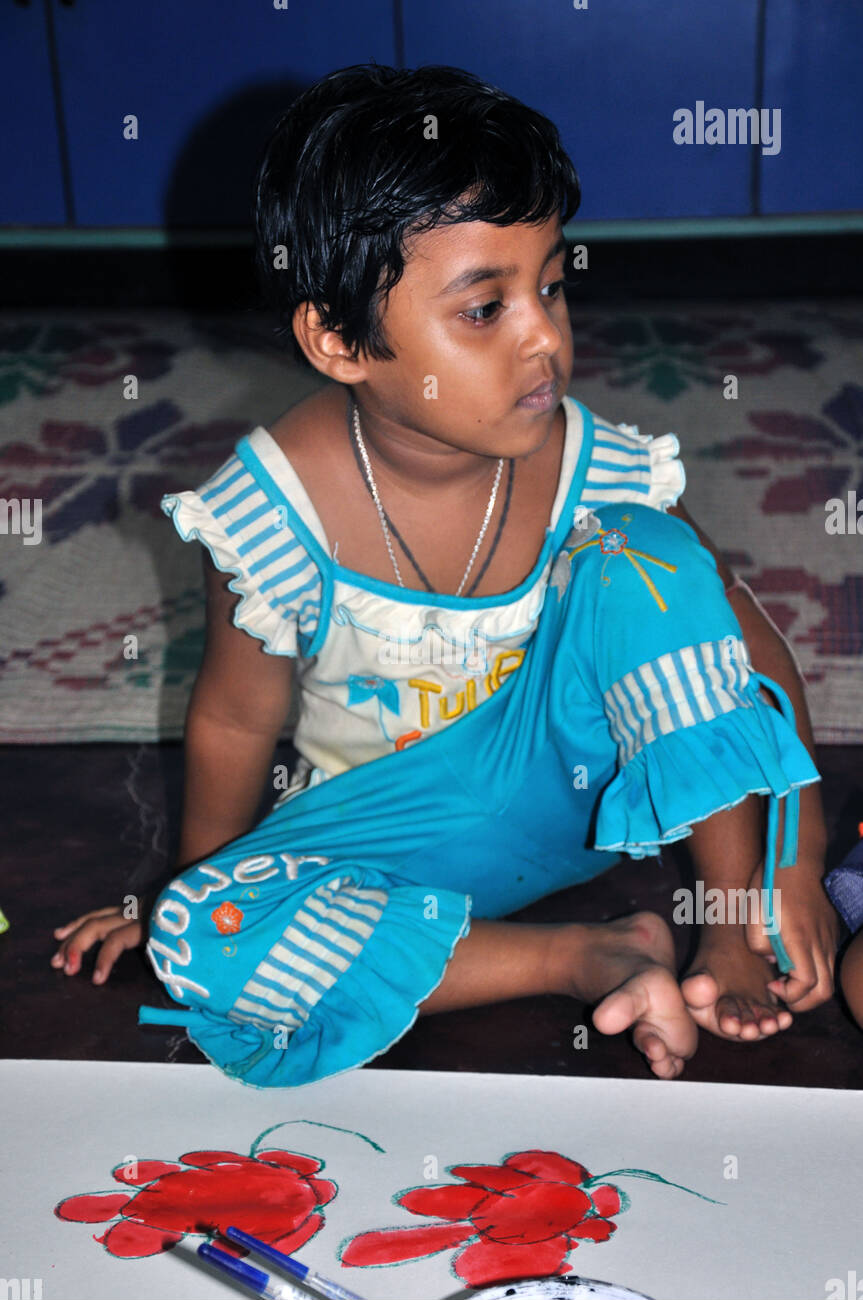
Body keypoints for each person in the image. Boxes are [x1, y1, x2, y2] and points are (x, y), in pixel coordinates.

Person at [52, 64, 839, 1086]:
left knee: (649, 561)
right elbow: (235, 724)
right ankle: (587, 956)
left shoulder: (601, 471)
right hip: (392, 839)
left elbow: (737, 648)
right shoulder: (268, 516)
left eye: (550, 284)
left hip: (587, 796)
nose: (543, 338)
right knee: (204, 933)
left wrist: (788, 864)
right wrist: (191, 885)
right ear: (338, 340)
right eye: (484, 310)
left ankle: (722, 922)